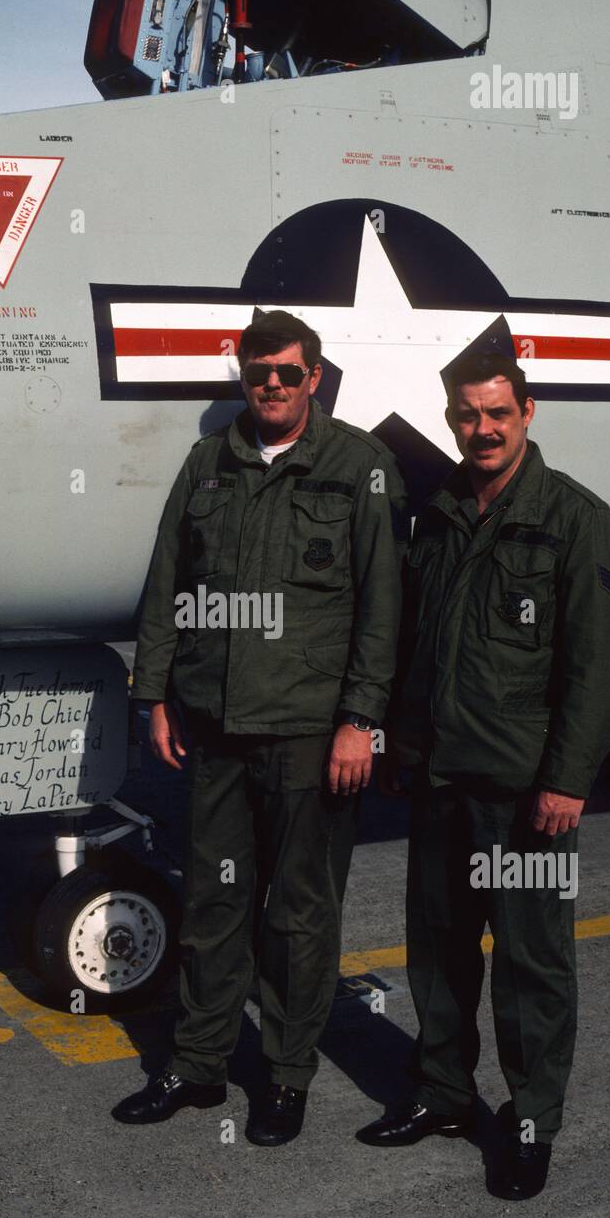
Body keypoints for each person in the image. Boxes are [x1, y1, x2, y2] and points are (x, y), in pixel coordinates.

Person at [113, 310, 407, 1144]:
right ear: (240, 374)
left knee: (299, 915)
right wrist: (154, 694)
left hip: (311, 733)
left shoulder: (359, 468)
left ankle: (284, 1076)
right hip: (215, 728)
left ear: (314, 376)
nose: (270, 384)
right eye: (256, 371)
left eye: (286, 371)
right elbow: (167, 580)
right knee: (212, 902)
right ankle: (198, 1066)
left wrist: (361, 721)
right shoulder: (209, 463)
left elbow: (383, 608)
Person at [358, 351, 610, 1199]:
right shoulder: (438, 515)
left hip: (525, 795)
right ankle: (443, 1094)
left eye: (497, 413)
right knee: (438, 953)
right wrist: (402, 747)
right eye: (466, 415)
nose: (481, 429)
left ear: (526, 412)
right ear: (450, 418)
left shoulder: (574, 521)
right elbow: (420, 646)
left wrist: (567, 781)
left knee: (529, 966)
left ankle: (527, 1123)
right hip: (443, 780)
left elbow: (598, 668)